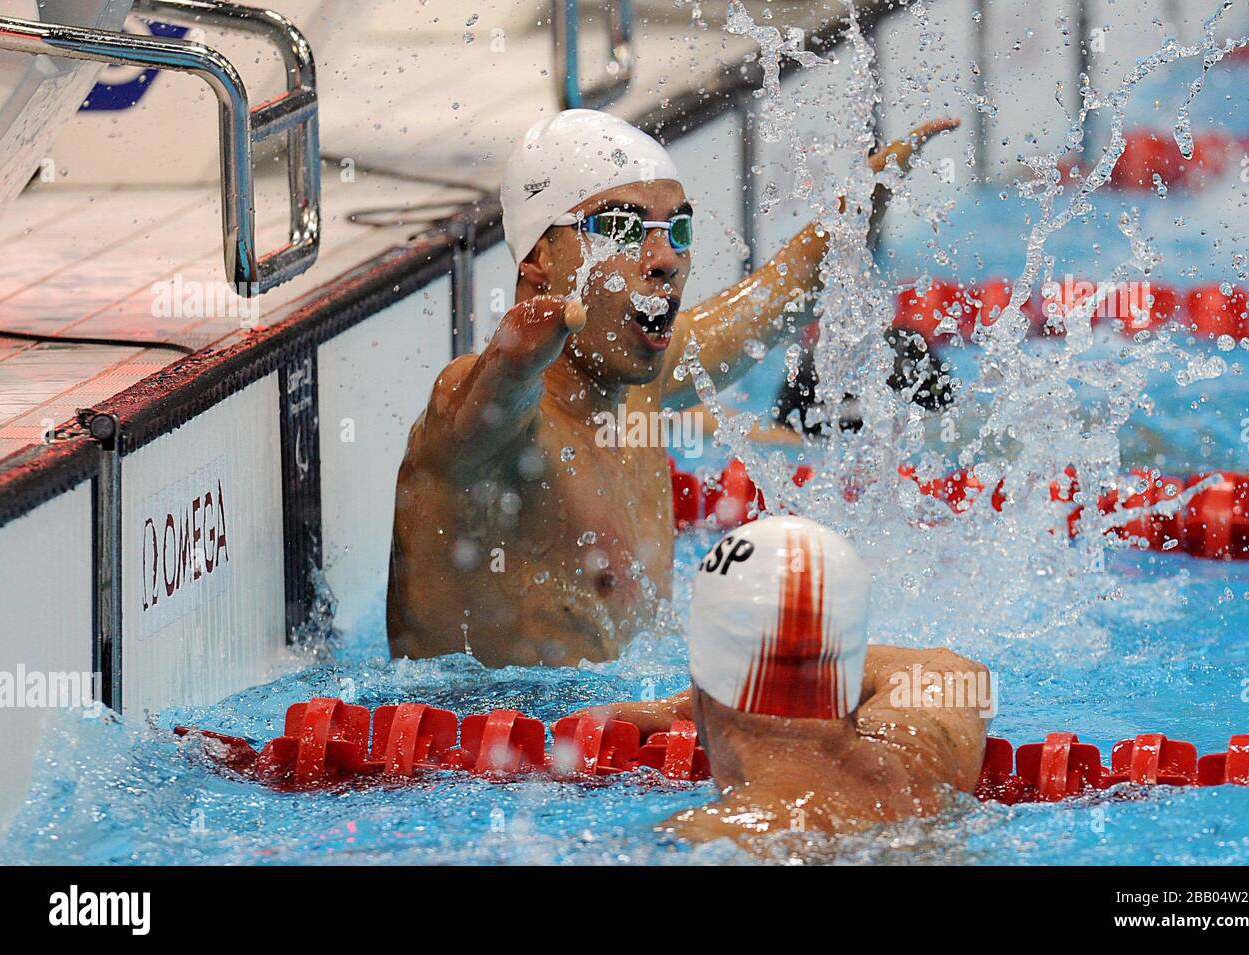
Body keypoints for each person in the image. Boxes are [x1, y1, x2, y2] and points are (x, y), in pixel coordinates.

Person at [388, 108, 958, 666]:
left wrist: (873, 188)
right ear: (539, 258)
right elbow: (483, 401)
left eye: (677, 230)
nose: (664, 259)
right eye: (621, 228)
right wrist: (513, 360)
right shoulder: (480, 425)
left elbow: (782, 295)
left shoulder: (640, 387)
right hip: (476, 751)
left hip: (629, 749)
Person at [573, 515, 989, 844]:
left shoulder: (713, 836)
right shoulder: (922, 760)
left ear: (704, 671)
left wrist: (673, 707)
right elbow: (952, 670)